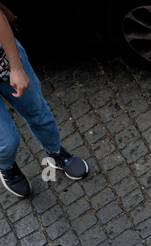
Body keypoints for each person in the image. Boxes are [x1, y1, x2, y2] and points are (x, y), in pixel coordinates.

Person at [0, 12, 88, 198]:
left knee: (39, 112)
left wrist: (16, 67)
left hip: (6, 63)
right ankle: (6, 166)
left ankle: (55, 152)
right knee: (6, 142)